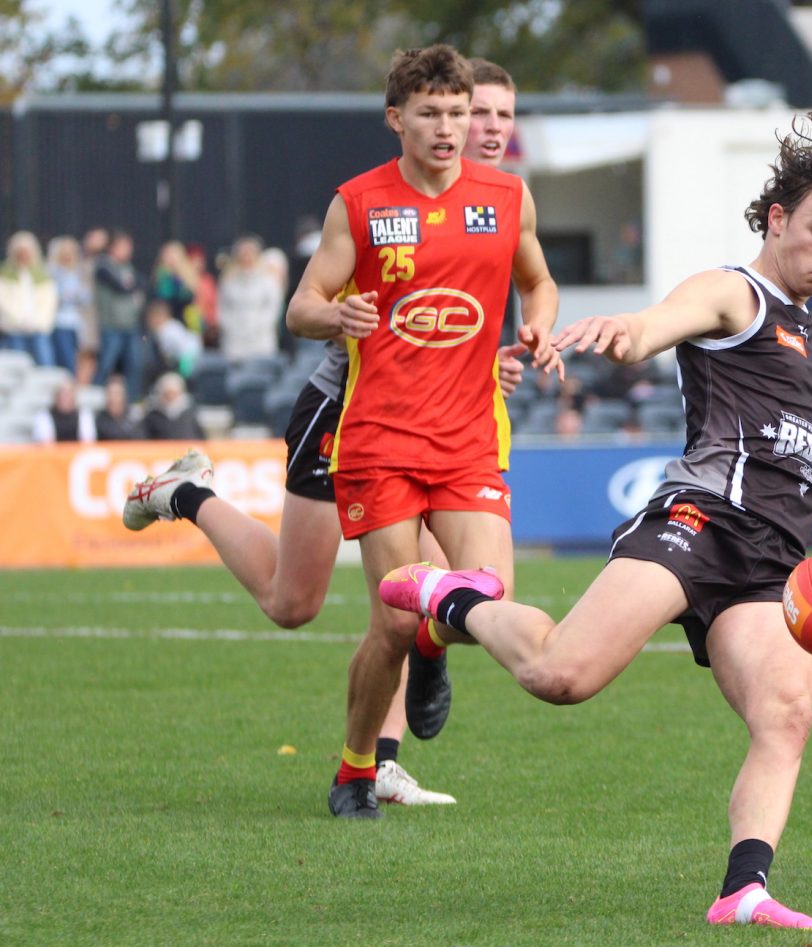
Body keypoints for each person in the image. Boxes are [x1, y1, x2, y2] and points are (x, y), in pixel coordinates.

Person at [378, 112, 812, 929]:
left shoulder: (803, 329)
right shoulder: (734, 292)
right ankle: (447, 596)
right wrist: (628, 334)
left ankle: (743, 889)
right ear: (777, 219)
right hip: (698, 522)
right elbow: (659, 322)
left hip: (768, 561)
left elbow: (806, 419)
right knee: (560, 676)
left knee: (787, 711)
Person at [119, 51, 555, 814]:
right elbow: (309, 305)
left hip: (457, 430)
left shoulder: (507, 199)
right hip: (351, 411)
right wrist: (337, 313)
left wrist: (530, 337)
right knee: (300, 603)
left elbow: (518, 286)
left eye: (485, 115)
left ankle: (408, 695)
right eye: (452, 113)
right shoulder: (362, 202)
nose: (470, 128)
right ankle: (187, 492)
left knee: (476, 604)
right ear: (399, 120)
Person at [217, 235, 284, 363]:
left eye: (249, 252)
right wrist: (231, 327)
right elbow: (222, 308)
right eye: (243, 253)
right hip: (234, 342)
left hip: (261, 340)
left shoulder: (268, 280)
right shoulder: (228, 280)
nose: (246, 256)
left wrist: (257, 326)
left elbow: (273, 308)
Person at [94, 230, 144, 398]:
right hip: (111, 326)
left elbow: (140, 284)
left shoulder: (128, 268)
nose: (129, 250)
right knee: (106, 364)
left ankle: (130, 401)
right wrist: (131, 287)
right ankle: (94, 395)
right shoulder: (103, 266)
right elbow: (121, 287)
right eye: (124, 246)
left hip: (130, 325)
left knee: (134, 365)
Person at [0, 230, 59, 367]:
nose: (23, 256)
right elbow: (3, 301)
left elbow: (49, 303)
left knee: (45, 364)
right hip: (14, 329)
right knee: (15, 366)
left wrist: (39, 322)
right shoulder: (4, 274)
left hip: (37, 329)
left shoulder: (43, 275)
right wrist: (17, 320)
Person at [47, 235, 91, 377]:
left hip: (75, 323)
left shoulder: (77, 273)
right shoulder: (52, 272)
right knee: (65, 360)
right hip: (59, 322)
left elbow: (86, 297)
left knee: (75, 358)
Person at [143, 298, 203, 378]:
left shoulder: (165, 330)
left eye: (151, 318)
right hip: (195, 352)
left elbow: (167, 355)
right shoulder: (173, 324)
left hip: (187, 358)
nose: (149, 322)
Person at [141, 371, 206, 440]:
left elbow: (200, 439)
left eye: (173, 393)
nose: (170, 397)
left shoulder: (189, 415)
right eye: (167, 394)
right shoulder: (153, 417)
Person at [31, 377, 96, 443]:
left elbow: (88, 442)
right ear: (55, 396)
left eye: (68, 394)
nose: (64, 398)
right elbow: (45, 444)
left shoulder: (84, 416)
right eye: (61, 393)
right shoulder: (44, 416)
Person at [95, 374, 144, 441]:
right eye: (110, 394)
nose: (113, 398)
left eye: (117, 394)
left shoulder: (134, 416)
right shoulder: (99, 419)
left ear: (124, 396)